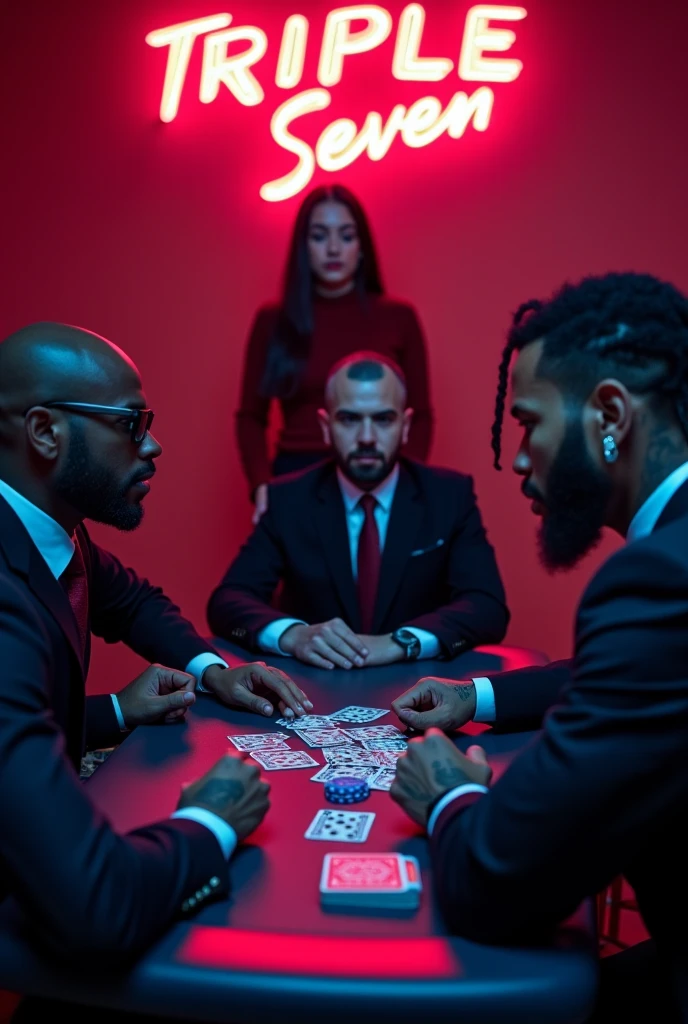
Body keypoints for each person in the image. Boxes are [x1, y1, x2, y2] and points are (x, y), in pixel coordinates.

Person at [389, 272, 688, 1021]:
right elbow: (635, 677)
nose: (516, 458)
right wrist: (477, 696)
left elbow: (492, 883)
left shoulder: (658, 578)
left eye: (527, 423)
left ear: (608, 414)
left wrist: (448, 792)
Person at [0, 322, 314, 968]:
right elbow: (96, 908)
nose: (155, 445)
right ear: (44, 431)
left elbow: (136, 604)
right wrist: (211, 821)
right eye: (130, 424)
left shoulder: (53, 536)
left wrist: (213, 671)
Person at [210, 351, 508, 669]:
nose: (367, 437)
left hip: (424, 691)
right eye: (350, 419)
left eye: (383, 419)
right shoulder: (288, 500)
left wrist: (401, 642)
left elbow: (487, 606)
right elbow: (227, 601)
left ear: (406, 425)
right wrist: (294, 636)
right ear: (326, 426)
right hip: (313, 694)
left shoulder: (448, 496)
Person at [236, 184, 434, 522]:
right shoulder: (274, 321)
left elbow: (422, 415)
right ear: (304, 247)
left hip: (376, 476)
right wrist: (261, 485)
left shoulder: (398, 317)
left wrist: (404, 484)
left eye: (345, 236)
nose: (332, 249)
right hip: (295, 481)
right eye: (319, 236)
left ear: (361, 247)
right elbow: (250, 418)